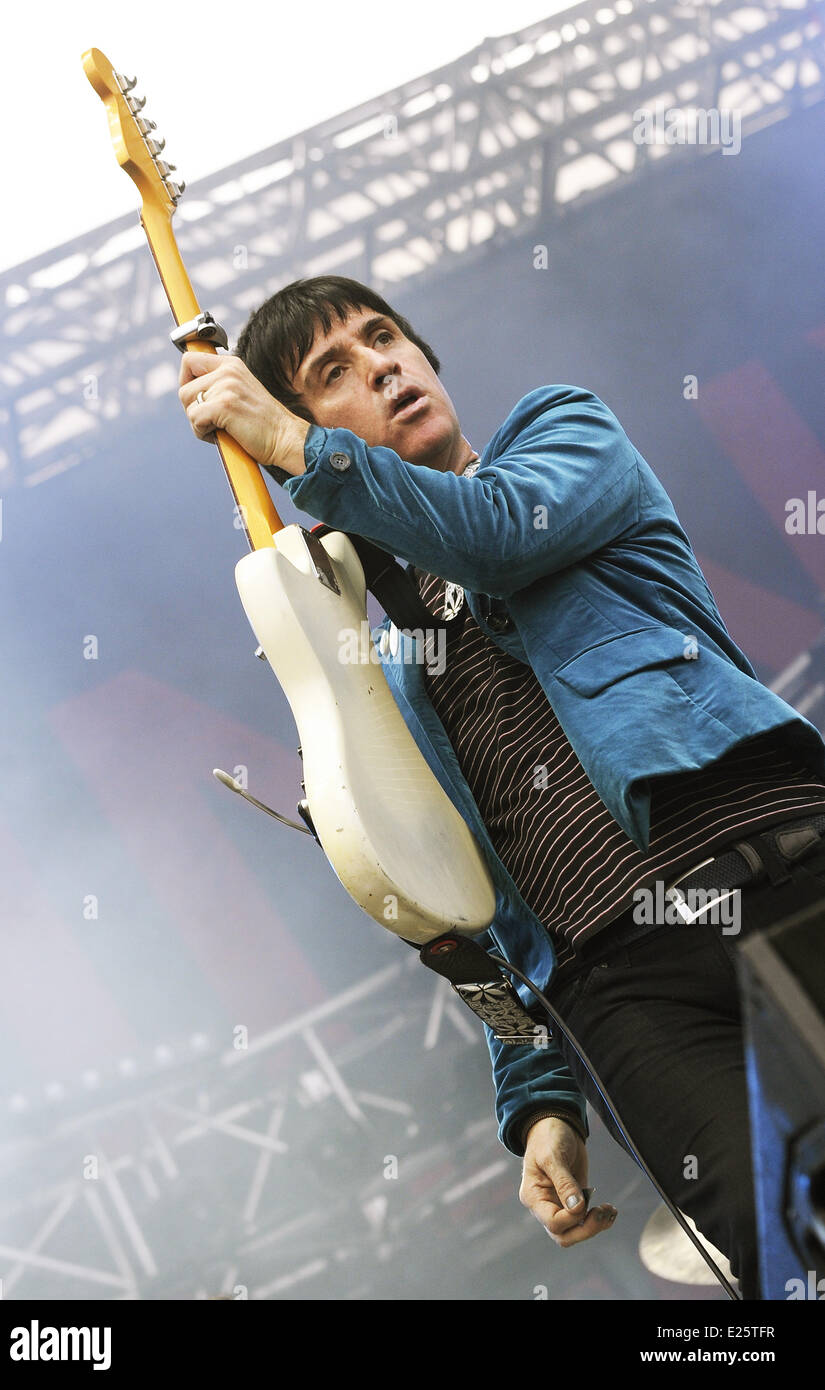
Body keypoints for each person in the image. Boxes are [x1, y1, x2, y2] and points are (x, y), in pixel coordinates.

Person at [177, 275, 825, 1300]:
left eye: (384, 336)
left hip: (780, 875)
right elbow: (469, 917)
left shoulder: (565, 437)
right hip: (625, 1003)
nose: (381, 365)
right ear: (294, 418)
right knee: (786, 1254)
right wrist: (541, 1099)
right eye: (331, 373)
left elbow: (496, 535)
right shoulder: (383, 668)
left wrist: (305, 451)